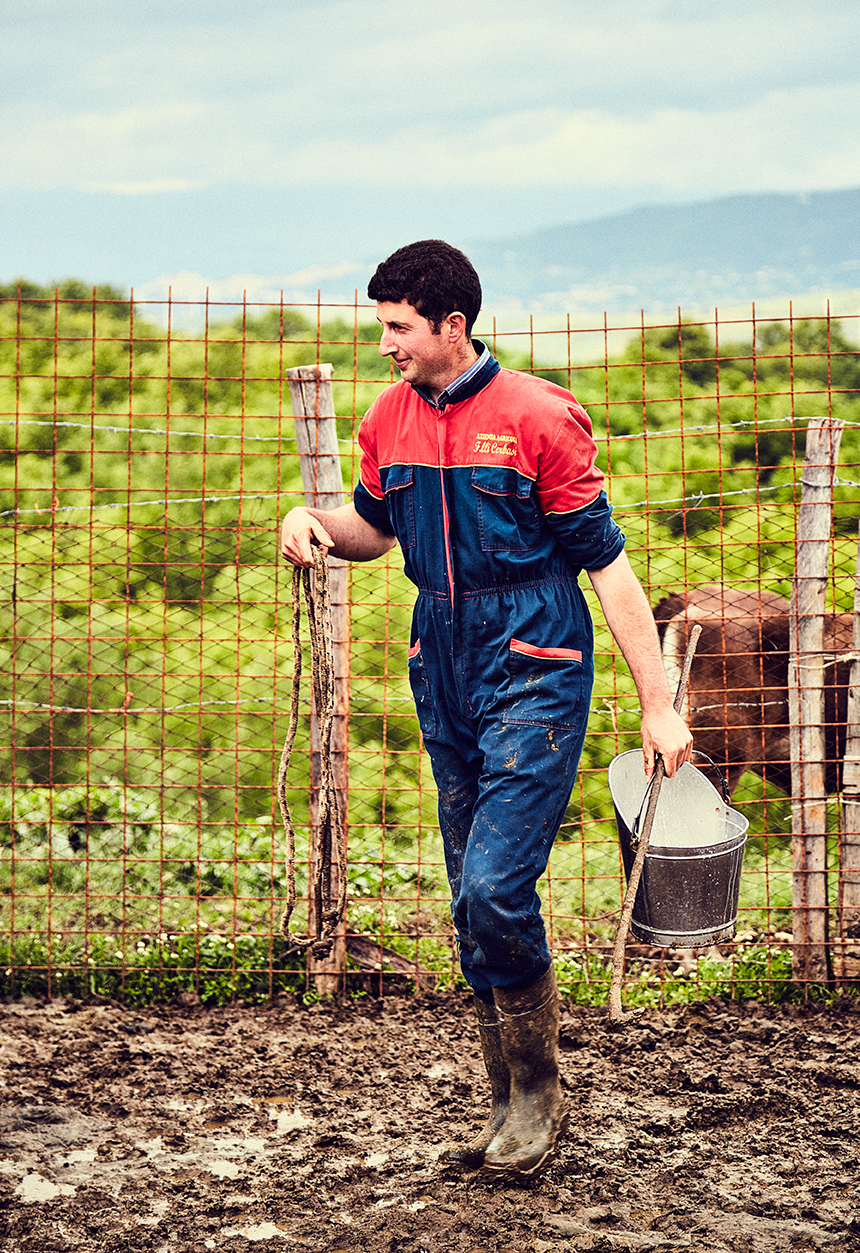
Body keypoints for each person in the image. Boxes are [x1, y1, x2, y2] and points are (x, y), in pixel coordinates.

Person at [280, 240, 692, 1179]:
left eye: (397, 327)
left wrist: (658, 704)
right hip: (443, 658)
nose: (384, 344)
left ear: (450, 325)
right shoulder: (389, 418)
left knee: (495, 884)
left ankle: (540, 1090)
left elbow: (610, 567)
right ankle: (504, 1098)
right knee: (472, 896)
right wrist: (310, 523)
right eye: (380, 326)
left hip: (535, 657)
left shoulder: (540, 417)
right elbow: (375, 532)